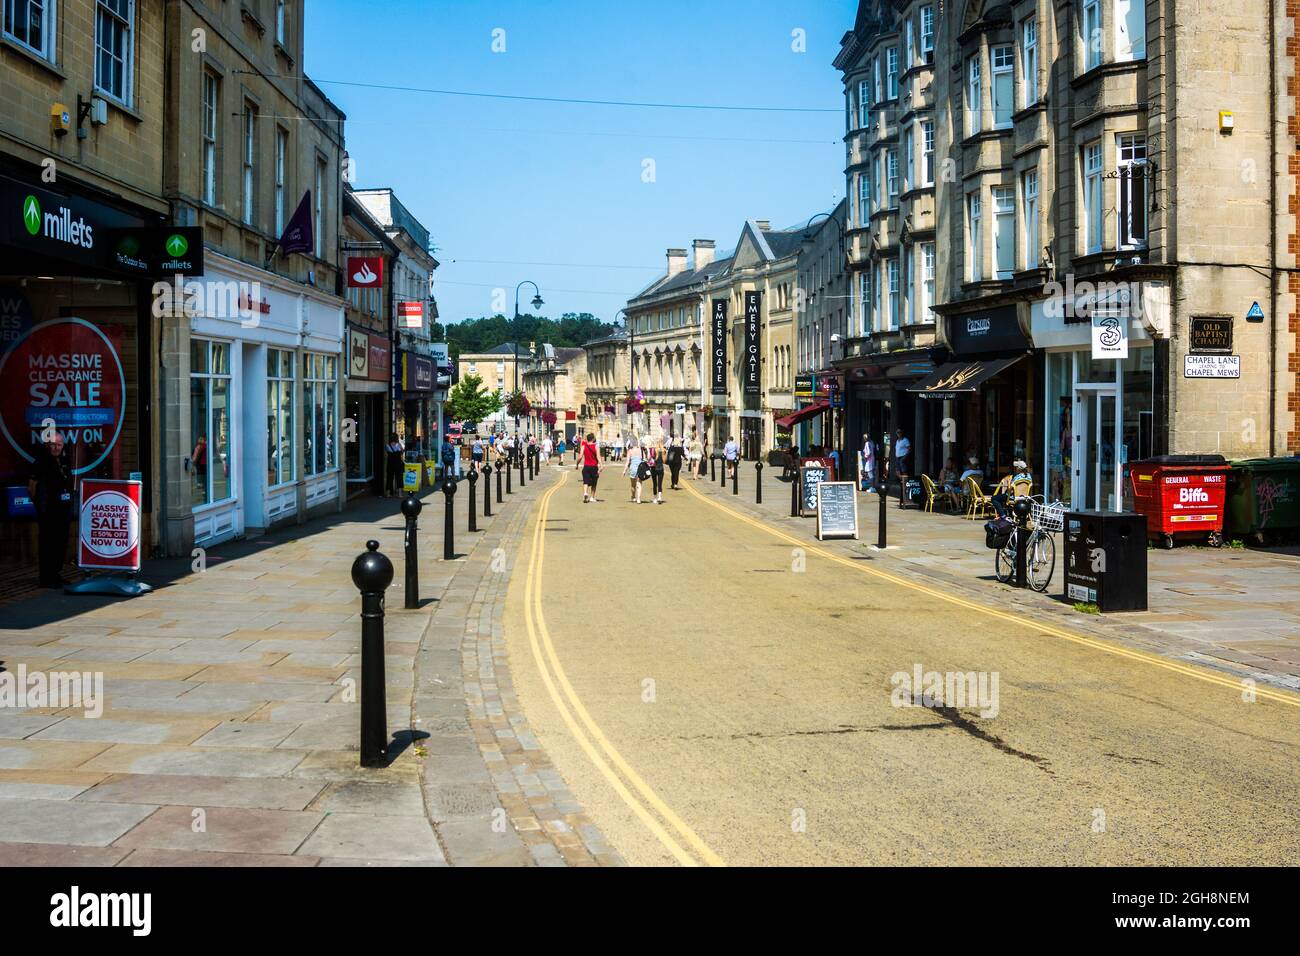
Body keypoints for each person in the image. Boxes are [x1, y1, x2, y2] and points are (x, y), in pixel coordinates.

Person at [27, 431, 74, 588]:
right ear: (47, 445)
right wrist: (39, 505)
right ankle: (46, 578)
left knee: (60, 543)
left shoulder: (64, 460)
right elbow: (32, 486)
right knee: (47, 544)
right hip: (48, 510)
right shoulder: (41, 461)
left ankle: (56, 574)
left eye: (59, 445)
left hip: (63, 509)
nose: (56, 448)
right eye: (53, 444)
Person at [579, 432, 603, 502]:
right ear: (592, 439)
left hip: (586, 466)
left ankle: (585, 493)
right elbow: (598, 456)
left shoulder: (584, 446)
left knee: (585, 481)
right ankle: (592, 497)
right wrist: (601, 465)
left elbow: (580, 457)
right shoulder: (596, 446)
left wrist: (577, 464)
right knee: (594, 482)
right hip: (594, 467)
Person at [893, 429, 911, 508]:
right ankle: (902, 480)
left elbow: (909, 449)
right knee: (897, 471)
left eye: (900, 432)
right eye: (897, 433)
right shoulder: (897, 441)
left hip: (902, 457)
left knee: (903, 470)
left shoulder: (905, 440)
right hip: (897, 457)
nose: (898, 434)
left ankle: (905, 481)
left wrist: (905, 457)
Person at [624, 438, 644, 503]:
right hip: (640, 468)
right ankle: (638, 498)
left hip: (633, 469)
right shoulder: (641, 450)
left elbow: (627, 462)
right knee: (639, 484)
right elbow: (646, 458)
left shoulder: (630, 450)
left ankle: (633, 497)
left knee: (633, 485)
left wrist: (624, 470)